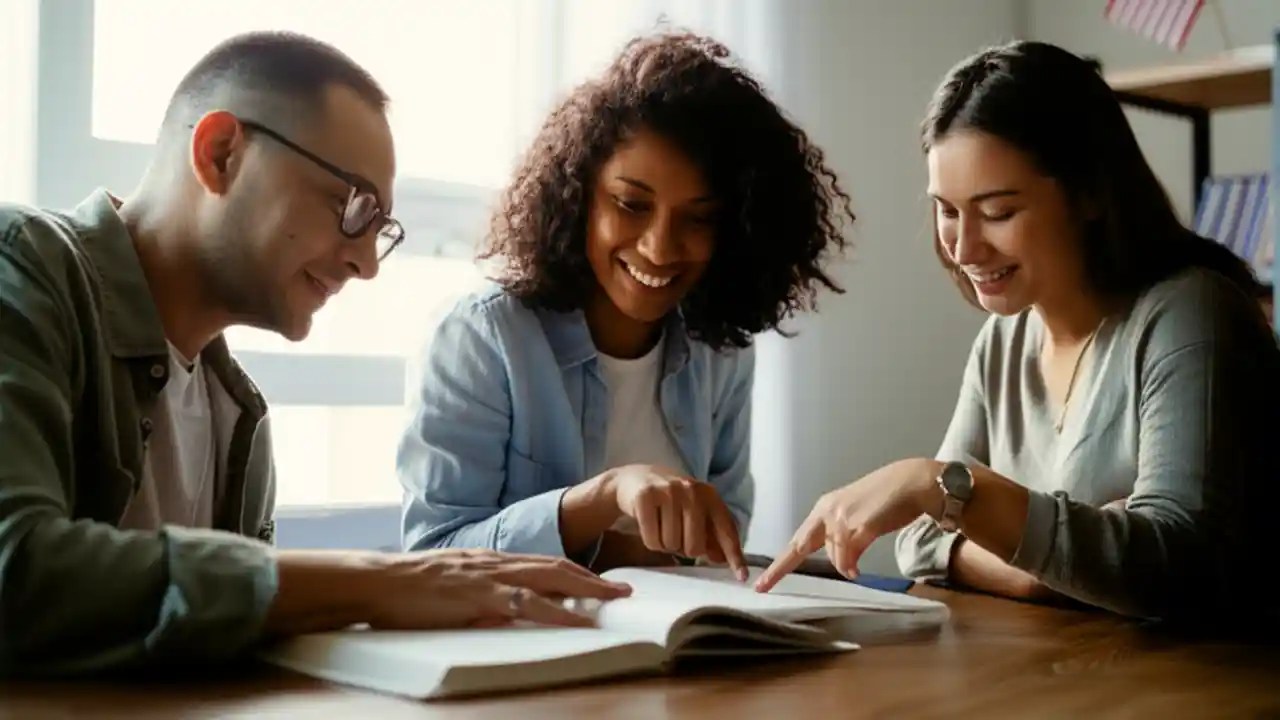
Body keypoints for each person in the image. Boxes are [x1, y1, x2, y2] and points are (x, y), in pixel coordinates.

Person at [0, 31, 630, 677]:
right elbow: (13, 569)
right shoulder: (20, 265)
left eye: (380, 229)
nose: (365, 264)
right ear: (221, 154)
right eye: (353, 205)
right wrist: (376, 580)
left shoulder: (237, 411)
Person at [756, 40, 1280, 624]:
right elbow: (920, 545)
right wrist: (1050, 572)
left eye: (999, 212)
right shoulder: (1002, 344)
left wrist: (943, 487)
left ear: (1088, 193)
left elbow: (1175, 565)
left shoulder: (1191, 315)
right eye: (947, 210)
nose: (962, 247)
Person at [398, 31, 854, 576]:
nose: (659, 247)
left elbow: (720, 532)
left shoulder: (721, 348)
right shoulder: (483, 336)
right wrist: (604, 499)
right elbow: (433, 555)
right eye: (631, 204)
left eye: (699, 218)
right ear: (578, 195)